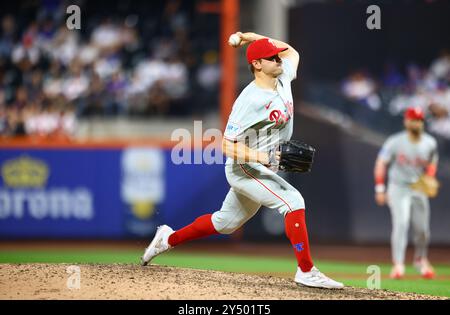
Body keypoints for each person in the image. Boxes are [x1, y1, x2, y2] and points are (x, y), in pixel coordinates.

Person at [141, 32, 344, 289]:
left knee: (224, 223)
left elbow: (291, 51)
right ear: (257, 64)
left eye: (276, 55)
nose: (278, 58)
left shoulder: (283, 76)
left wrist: (249, 37)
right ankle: (306, 270)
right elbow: (226, 145)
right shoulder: (249, 100)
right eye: (271, 56)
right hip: (245, 167)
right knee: (293, 201)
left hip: (258, 167)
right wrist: (264, 157)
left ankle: (167, 239)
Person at [374, 107, 439, 279]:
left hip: (418, 188)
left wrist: (429, 178)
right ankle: (398, 265)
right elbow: (381, 163)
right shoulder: (395, 141)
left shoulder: (430, 142)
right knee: (401, 223)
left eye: (418, 119)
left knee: (422, 229)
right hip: (398, 187)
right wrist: (380, 188)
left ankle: (420, 260)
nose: (415, 122)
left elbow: (432, 163)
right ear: (406, 121)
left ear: (422, 122)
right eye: (412, 119)